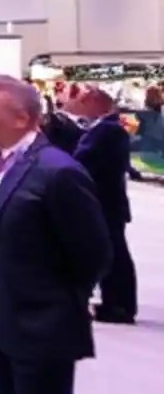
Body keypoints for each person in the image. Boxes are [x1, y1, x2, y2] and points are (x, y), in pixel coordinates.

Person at [0, 76, 111, 394]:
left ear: (21, 118)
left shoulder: (58, 172)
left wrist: (51, 303)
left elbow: (93, 254)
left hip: (40, 325)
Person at [72, 88, 136, 324]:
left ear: (95, 103)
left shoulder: (108, 129)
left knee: (113, 255)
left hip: (106, 202)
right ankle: (116, 302)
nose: (77, 105)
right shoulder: (106, 127)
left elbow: (85, 160)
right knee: (113, 253)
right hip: (106, 201)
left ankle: (119, 305)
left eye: (81, 101)